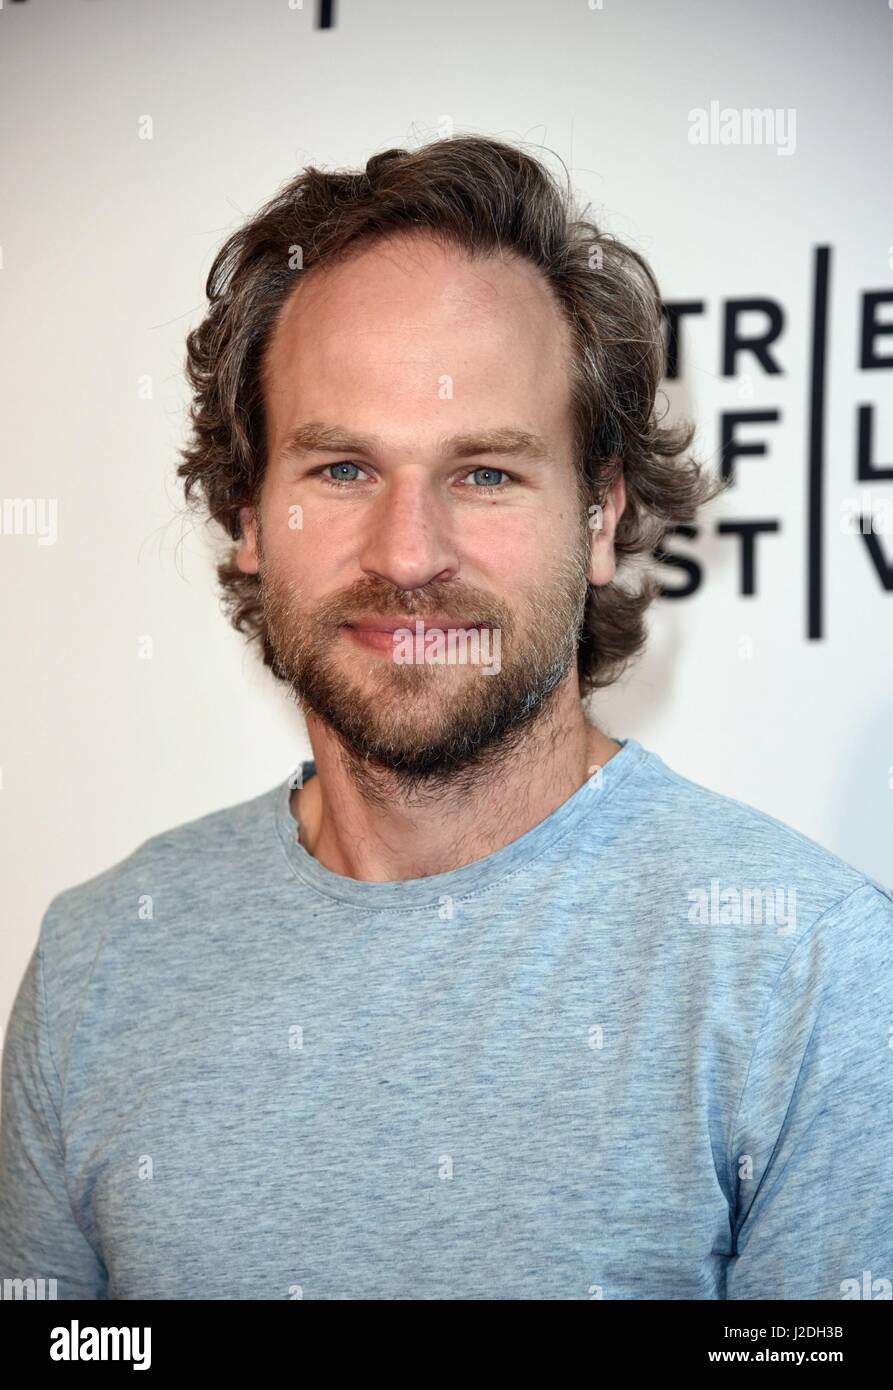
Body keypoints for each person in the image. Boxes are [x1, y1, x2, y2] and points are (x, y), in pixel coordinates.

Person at [1, 136, 891, 1302]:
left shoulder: (809, 968)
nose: (407, 555)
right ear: (249, 518)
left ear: (599, 515)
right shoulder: (98, 961)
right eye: (339, 470)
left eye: (484, 472)